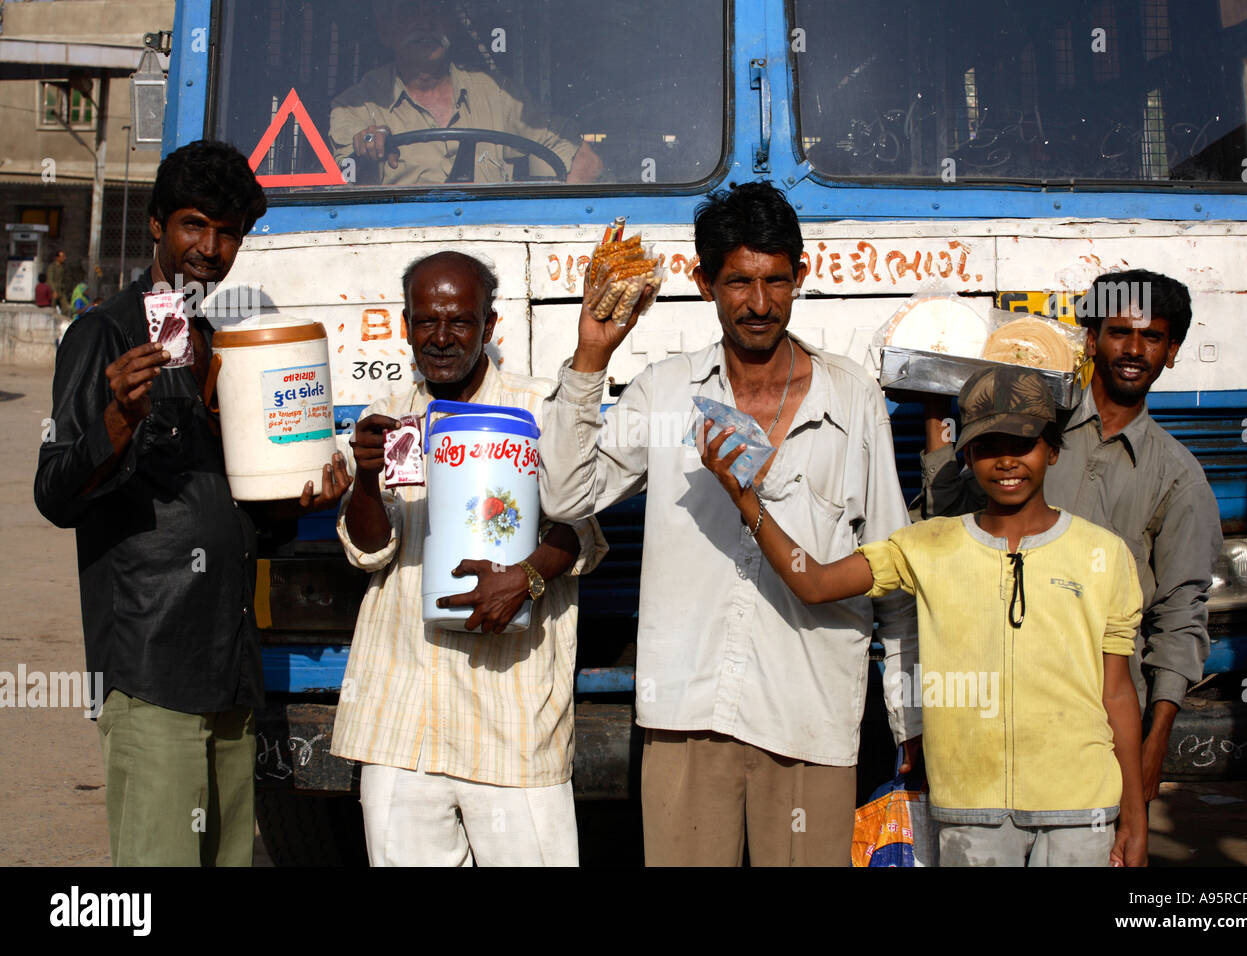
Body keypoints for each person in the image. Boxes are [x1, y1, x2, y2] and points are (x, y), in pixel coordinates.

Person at [540, 181, 921, 866]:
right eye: (739, 281)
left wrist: (907, 715)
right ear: (703, 282)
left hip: (811, 715)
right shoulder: (667, 390)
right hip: (689, 713)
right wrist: (591, 356)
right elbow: (568, 498)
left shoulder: (851, 397)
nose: (759, 303)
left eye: (777, 280)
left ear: (801, 277)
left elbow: (890, 564)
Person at [33, 139, 352, 866]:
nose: (210, 248)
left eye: (228, 232)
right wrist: (117, 418)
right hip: (153, 668)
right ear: (155, 225)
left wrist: (302, 499)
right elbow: (55, 493)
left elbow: (236, 511)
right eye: (194, 225)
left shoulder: (219, 346)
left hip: (229, 669)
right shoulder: (102, 335)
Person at [699, 365, 1148, 866]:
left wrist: (1135, 815)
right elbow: (815, 581)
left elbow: (1117, 693)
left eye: (1023, 444)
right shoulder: (927, 546)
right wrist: (745, 500)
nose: (1006, 461)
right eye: (987, 446)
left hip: (1081, 808)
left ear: (1053, 449)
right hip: (968, 811)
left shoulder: (1103, 555)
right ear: (967, 454)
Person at [333, 250, 606, 866]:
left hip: (510, 716)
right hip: (403, 722)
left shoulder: (539, 411)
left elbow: (581, 533)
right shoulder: (390, 418)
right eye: (426, 321)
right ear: (405, 324)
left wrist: (525, 579)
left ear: (491, 323)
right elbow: (370, 552)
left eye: (460, 320)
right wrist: (367, 478)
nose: (442, 336)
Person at [917, 270, 1220, 803]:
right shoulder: (1029, 427)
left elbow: (1179, 620)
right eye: (1119, 331)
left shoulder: (1179, 478)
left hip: (1095, 731)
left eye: (1151, 338)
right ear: (1092, 338)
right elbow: (945, 527)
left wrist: (1151, 753)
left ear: (1171, 352)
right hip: (983, 711)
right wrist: (938, 409)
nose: (1133, 349)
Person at [329, 0, 602, 186]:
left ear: (451, 25)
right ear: (385, 31)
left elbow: (582, 156)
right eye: (410, 11)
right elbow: (347, 183)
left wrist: (550, 218)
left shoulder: (498, 93)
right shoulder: (354, 106)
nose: (426, 24)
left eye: (436, 11)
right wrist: (367, 147)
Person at [47, 248, 70, 313]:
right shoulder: (52, 267)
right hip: (54, 291)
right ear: (57, 257)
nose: (64, 258)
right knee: (53, 309)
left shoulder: (63, 267)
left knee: (65, 309)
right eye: (62, 256)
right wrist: (54, 291)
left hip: (61, 290)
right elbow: (50, 280)